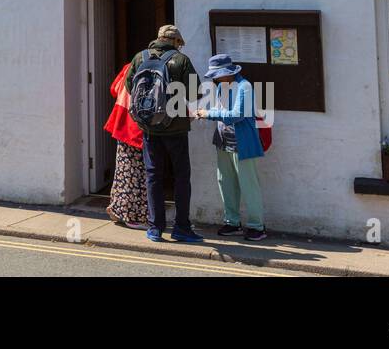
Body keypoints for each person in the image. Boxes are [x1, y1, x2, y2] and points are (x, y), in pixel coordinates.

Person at [134, 24, 202, 243]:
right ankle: (181, 227)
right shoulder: (181, 60)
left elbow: (129, 86)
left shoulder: (140, 57)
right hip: (176, 128)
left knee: (153, 176)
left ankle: (155, 228)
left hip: (149, 128)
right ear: (175, 41)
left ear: (158, 38)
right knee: (181, 177)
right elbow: (194, 92)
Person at [194, 53, 267, 241]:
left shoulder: (245, 86)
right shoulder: (221, 87)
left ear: (228, 72)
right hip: (223, 141)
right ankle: (232, 222)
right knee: (225, 183)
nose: (215, 79)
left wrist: (207, 113)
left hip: (243, 143)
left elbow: (238, 114)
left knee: (249, 184)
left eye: (217, 75)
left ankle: (257, 226)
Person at [103, 59, 148, 229]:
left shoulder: (129, 66)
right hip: (135, 126)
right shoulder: (151, 69)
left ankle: (116, 208)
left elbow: (114, 89)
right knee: (137, 174)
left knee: (123, 170)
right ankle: (132, 216)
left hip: (122, 122)